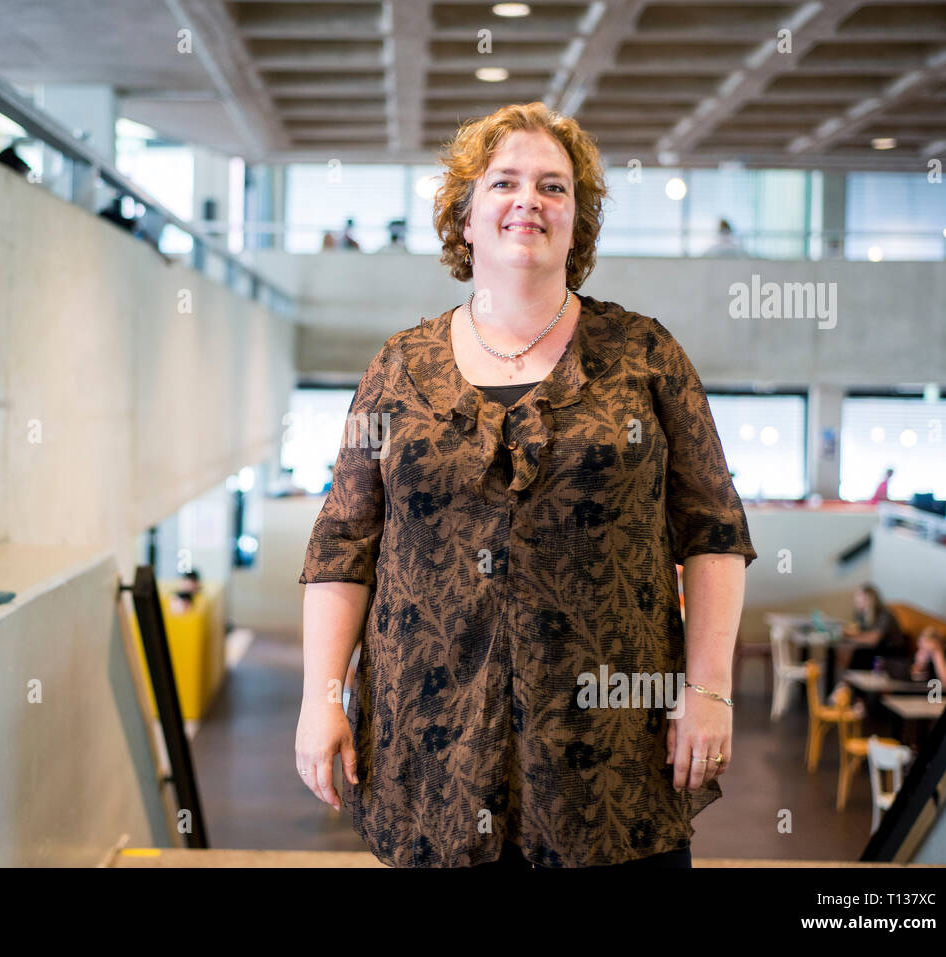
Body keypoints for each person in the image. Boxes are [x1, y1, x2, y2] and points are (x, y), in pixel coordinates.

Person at [295, 102, 756, 869]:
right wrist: (320, 695)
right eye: (503, 182)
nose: (529, 201)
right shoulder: (398, 369)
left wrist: (708, 691)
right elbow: (343, 543)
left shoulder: (645, 356)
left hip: (611, 752)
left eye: (553, 187)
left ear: (577, 224)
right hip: (430, 746)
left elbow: (714, 530)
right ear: (466, 217)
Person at [839, 584, 908, 673]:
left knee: (860, 654)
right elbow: (859, 631)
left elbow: (874, 639)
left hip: (892, 651)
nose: (856, 600)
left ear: (870, 599)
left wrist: (849, 638)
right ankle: (851, 681)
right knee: (856, 652)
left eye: (860, 598)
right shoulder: (862, 614)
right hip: (877, 648)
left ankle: (854, 682)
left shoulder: (885, 613)